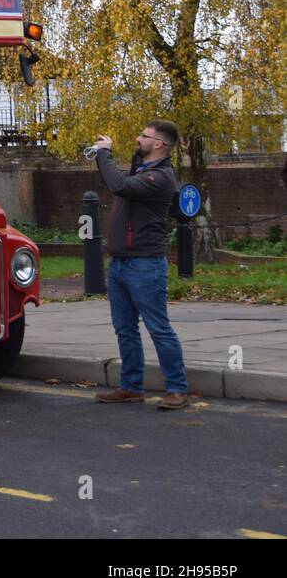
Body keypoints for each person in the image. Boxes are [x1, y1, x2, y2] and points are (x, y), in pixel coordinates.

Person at [92, 121, 189, 409]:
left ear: (159, 144)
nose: (138, 138)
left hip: (145, 265)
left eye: (144, 136)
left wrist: (104, 153)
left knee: (159, 328)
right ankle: (131, 386)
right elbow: (124, 178)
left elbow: (118, 184)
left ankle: (177, 389)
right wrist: (119, 153)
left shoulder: (160, 177)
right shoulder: (143, 171)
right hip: (121, 264)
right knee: (124, 328)